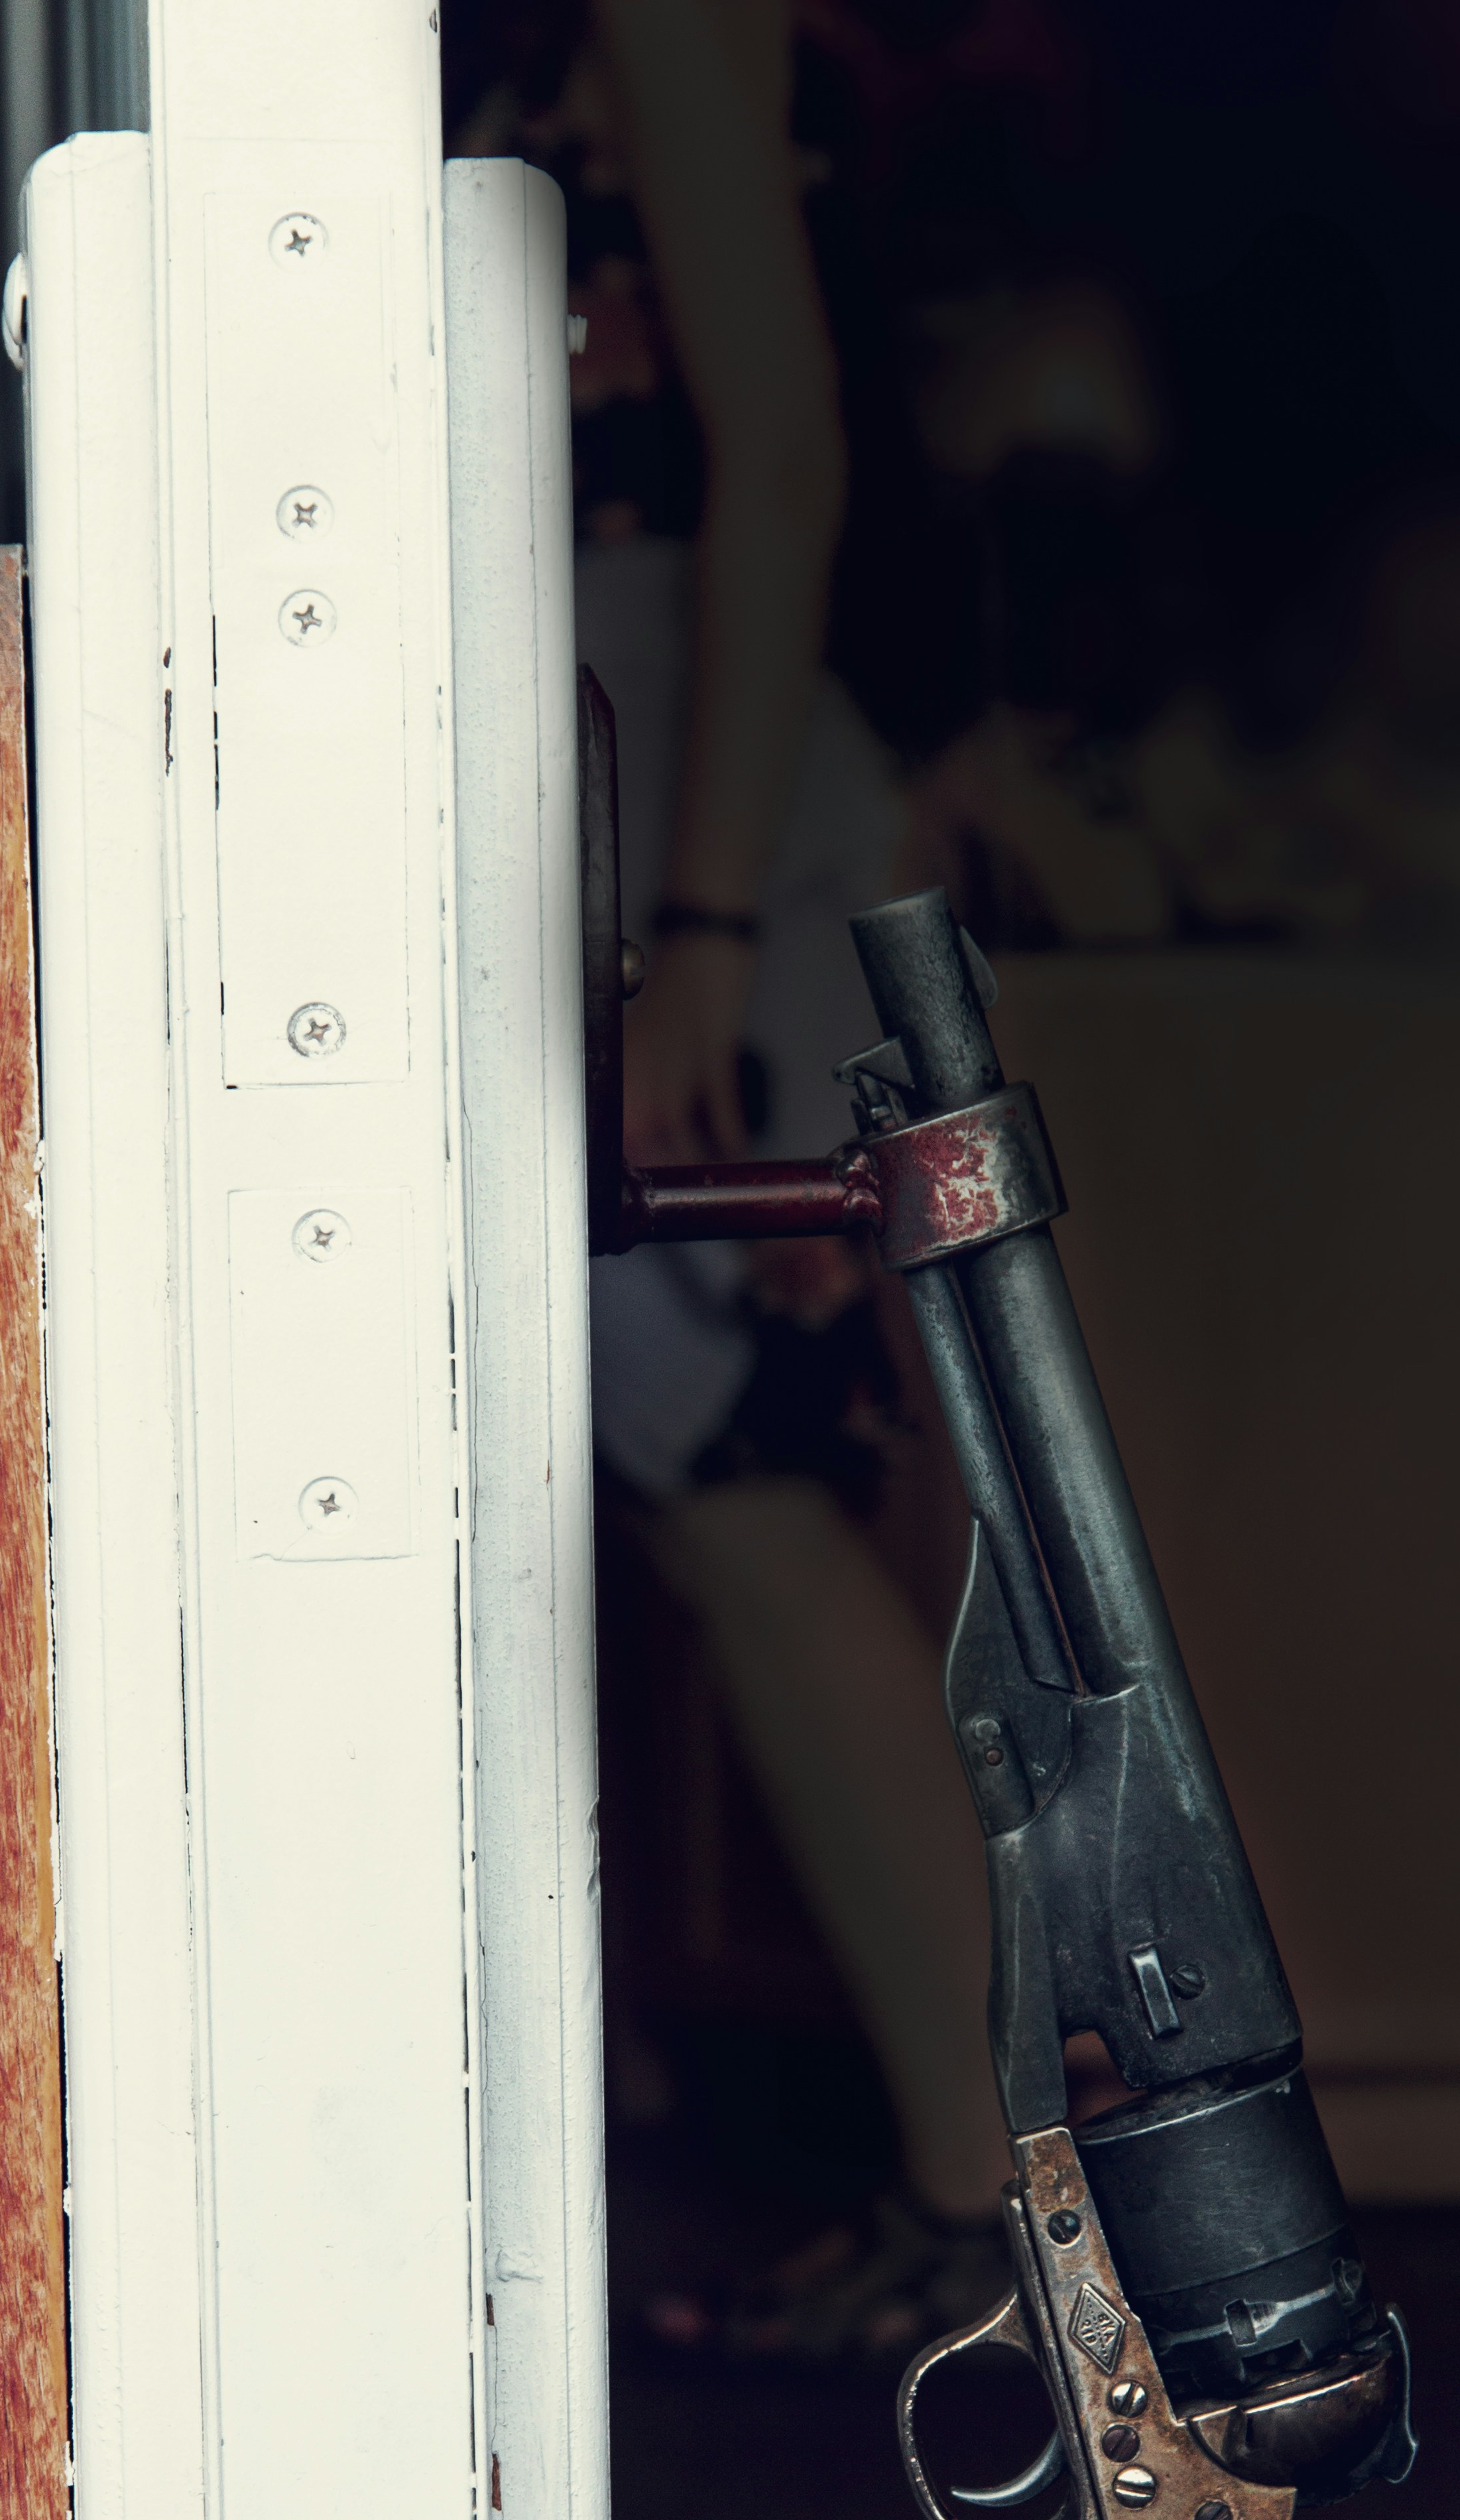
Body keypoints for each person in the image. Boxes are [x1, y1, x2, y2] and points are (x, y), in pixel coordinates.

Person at [457, 0, 1014, 2358]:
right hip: (614, 717)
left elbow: (781, 456)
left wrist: (687, 929)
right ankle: (985, 2197)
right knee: (721, 1487)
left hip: (688, 751)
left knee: (747, 1477)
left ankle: (1013, 2213)